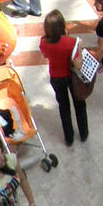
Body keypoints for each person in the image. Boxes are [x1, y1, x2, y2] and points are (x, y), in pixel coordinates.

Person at [40, 9, 89, 146]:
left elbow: (45, 55)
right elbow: (78, 65)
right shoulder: (71, 42)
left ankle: (69, 138)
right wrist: (78, 47)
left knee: (64, 107)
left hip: (56, 77)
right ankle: (84, 133)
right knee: (79, 104)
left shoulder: (44, 42)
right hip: (71, 78)